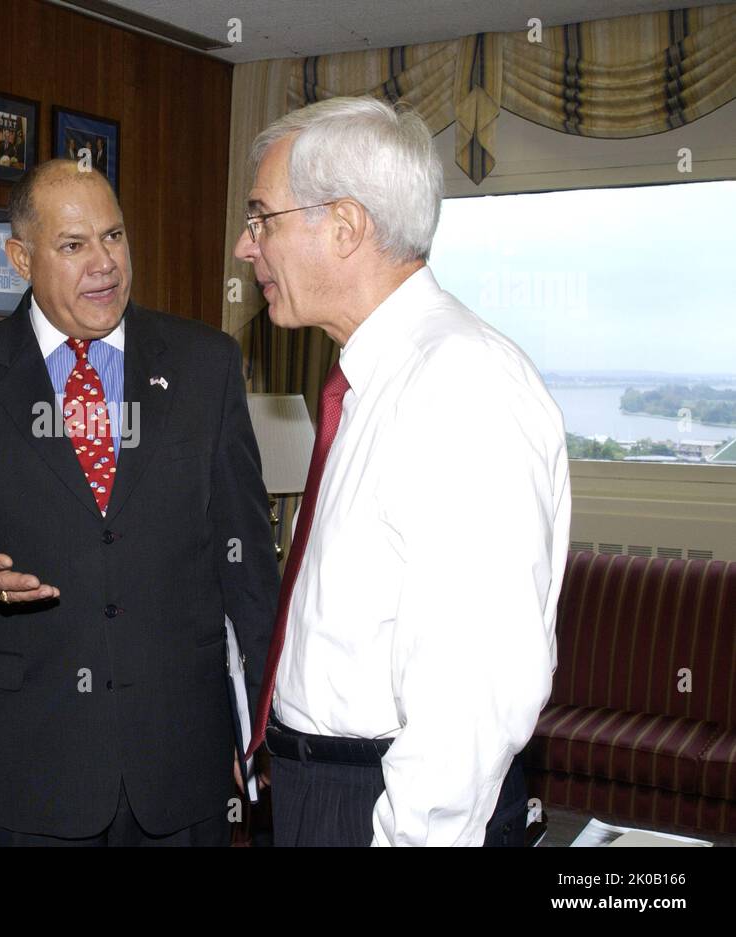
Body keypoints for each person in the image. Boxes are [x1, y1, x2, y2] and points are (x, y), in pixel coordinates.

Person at [0, 158, 279, 845]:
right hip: (36, 773)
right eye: (73, 245)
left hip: (182, 768)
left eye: (114, 237)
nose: (104, 263)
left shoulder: (204, 365)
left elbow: (248, 573)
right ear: (20, 258)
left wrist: (261, 732)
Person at [234, 96, 571, 846]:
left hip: (382, 807)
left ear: (345, 226)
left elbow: (470, 701)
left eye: (262, 218)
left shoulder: (460, 386)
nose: (244, 247)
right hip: (318, 789)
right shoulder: (372, 381)